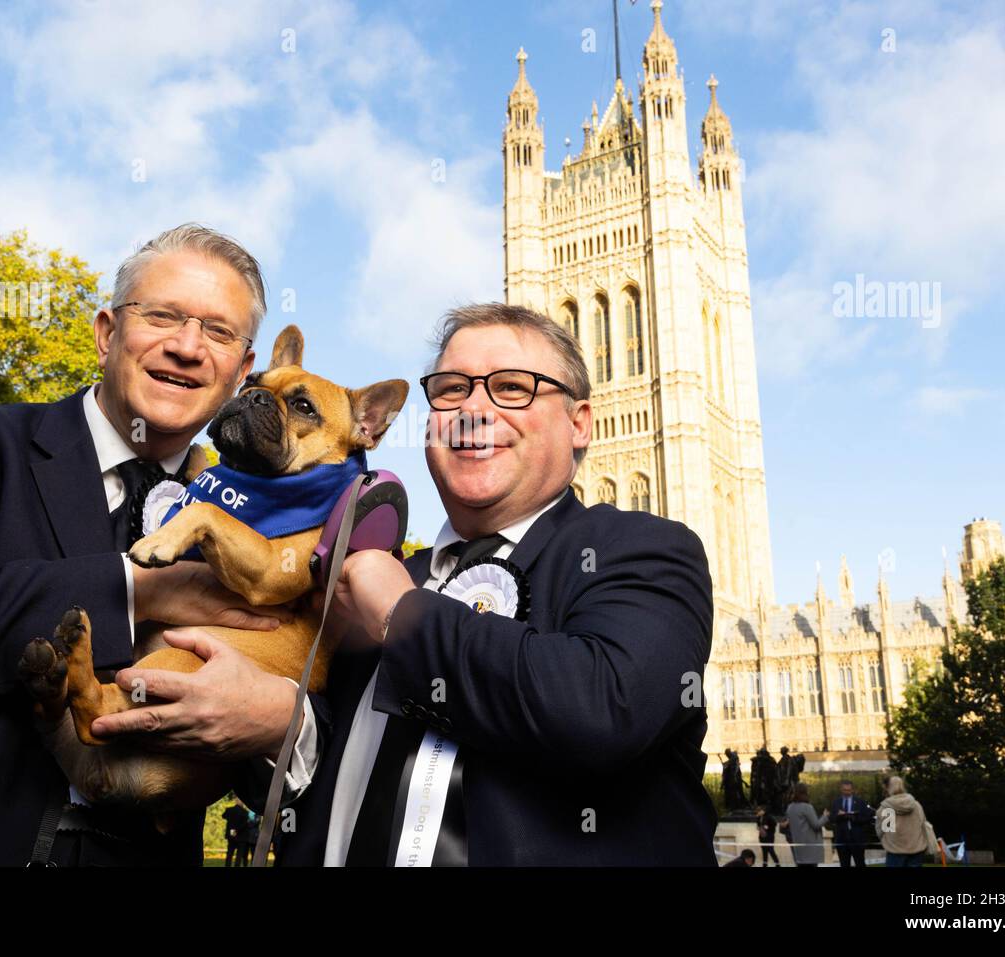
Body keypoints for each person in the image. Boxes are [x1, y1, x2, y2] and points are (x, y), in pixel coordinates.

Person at [0, 224, 315, 867]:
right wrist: (136, 590)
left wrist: (277, 726)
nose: (186, 347)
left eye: (218, 332)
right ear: (106, 333)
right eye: (163, 316)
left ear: (244, 370)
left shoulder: (260, 531)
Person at [268, 302, 716, 865]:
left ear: (579, 423)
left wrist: (402, 617)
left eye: (511, 387)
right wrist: (275, 723)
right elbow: (332, 769)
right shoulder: (377, 575)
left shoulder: (645, 552)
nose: (473, 409)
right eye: (452, 389)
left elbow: (604, 710)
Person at [876, 776, 929, 867]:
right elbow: (923, 824)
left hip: (895, 850)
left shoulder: (887, 807)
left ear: (888, 787)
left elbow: (883, 830)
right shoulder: (916, 805)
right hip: (916, 848)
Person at [828, 779, 873, 867]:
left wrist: (854, 818)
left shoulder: (860, 802)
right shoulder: (836, 802)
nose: (847, 792)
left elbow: (867, 818)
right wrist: (839, 816)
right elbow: (831, 818)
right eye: (845, 790)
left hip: (857, 839)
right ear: (841, 790)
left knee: (860, 863)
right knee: (844, 864)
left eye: (849, 790)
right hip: (842, 838)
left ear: (852, 790)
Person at [783, 783, 829, 867]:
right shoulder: (807, 807)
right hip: (810, 847)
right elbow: (816, 825)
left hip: (798, 847)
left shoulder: (790, 807)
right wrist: (825, 816)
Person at [222, 801, 249, 867]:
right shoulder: (245, 812)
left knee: (230, 853)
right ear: (242, 803)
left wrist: (233, 829)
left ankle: (227, 865)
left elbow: (223, 816)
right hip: (241, 836)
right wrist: (237, 830)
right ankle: (237, 865)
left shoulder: (229, 810)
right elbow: (245, 824)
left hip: (231, 835)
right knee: (239, 855)